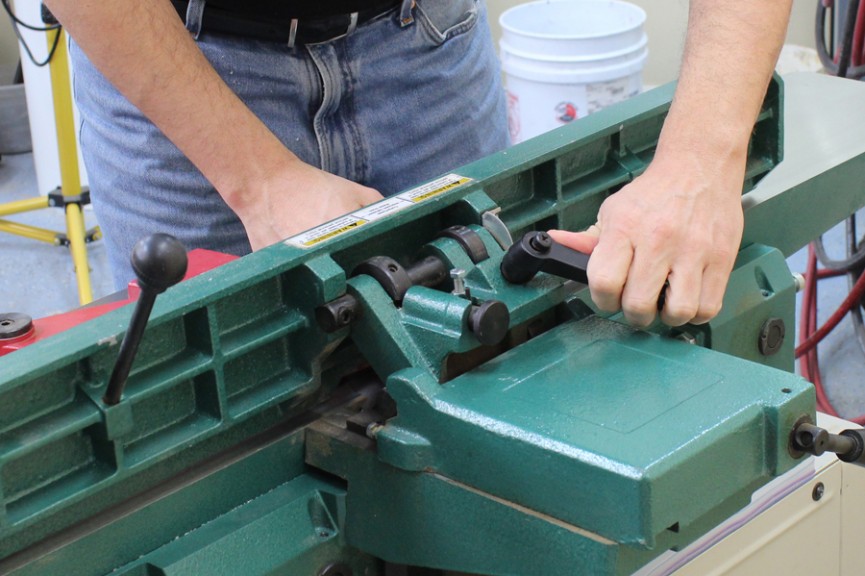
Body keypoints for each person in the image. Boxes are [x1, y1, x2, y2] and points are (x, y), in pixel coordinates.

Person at [45, 0, 792, 328]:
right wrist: (257, 178)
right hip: (175, 60)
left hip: (424, 45)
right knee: (203, 459)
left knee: (491, 364)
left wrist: (699, 163)